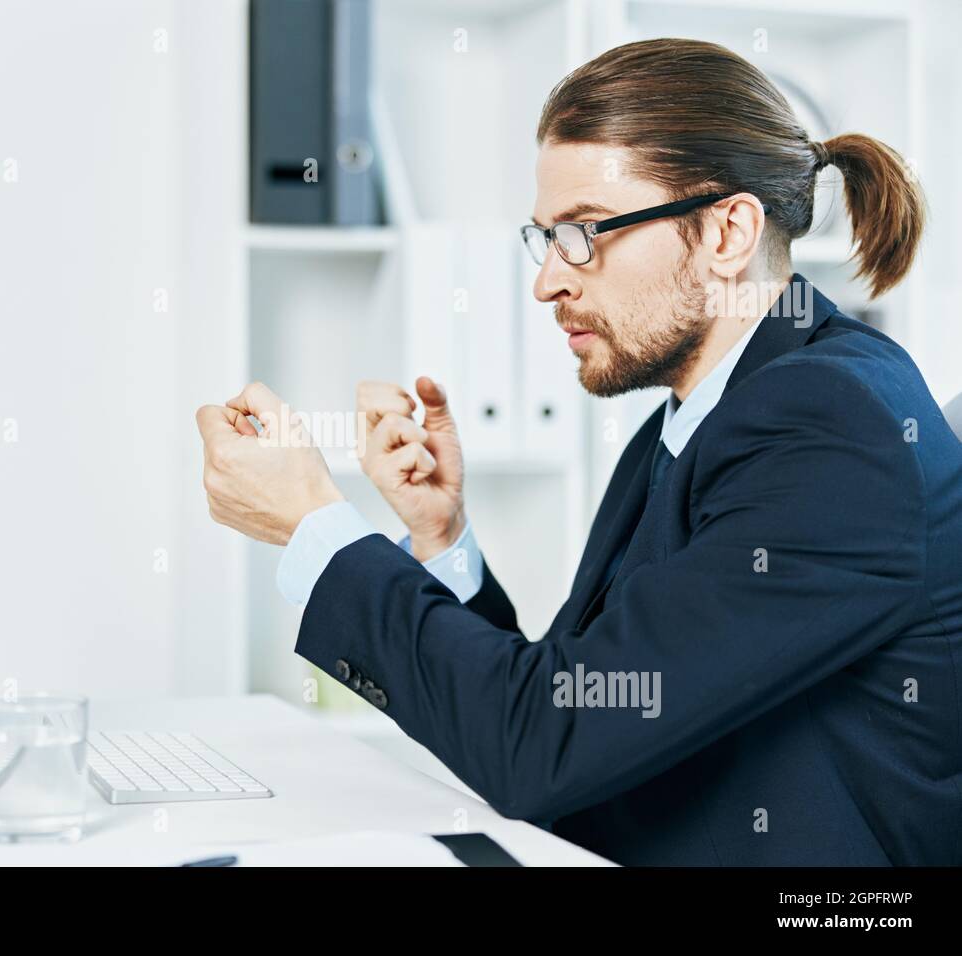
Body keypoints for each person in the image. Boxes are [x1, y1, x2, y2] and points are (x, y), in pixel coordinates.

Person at [194, 38, 962, 865]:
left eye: (587, 232)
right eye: (548, 236)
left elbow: (544, 743)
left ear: (727, 232)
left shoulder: (832, 429)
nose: (549, 281)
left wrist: (314, 526)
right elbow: (573, 704)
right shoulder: (704, 413)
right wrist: (443, 540)